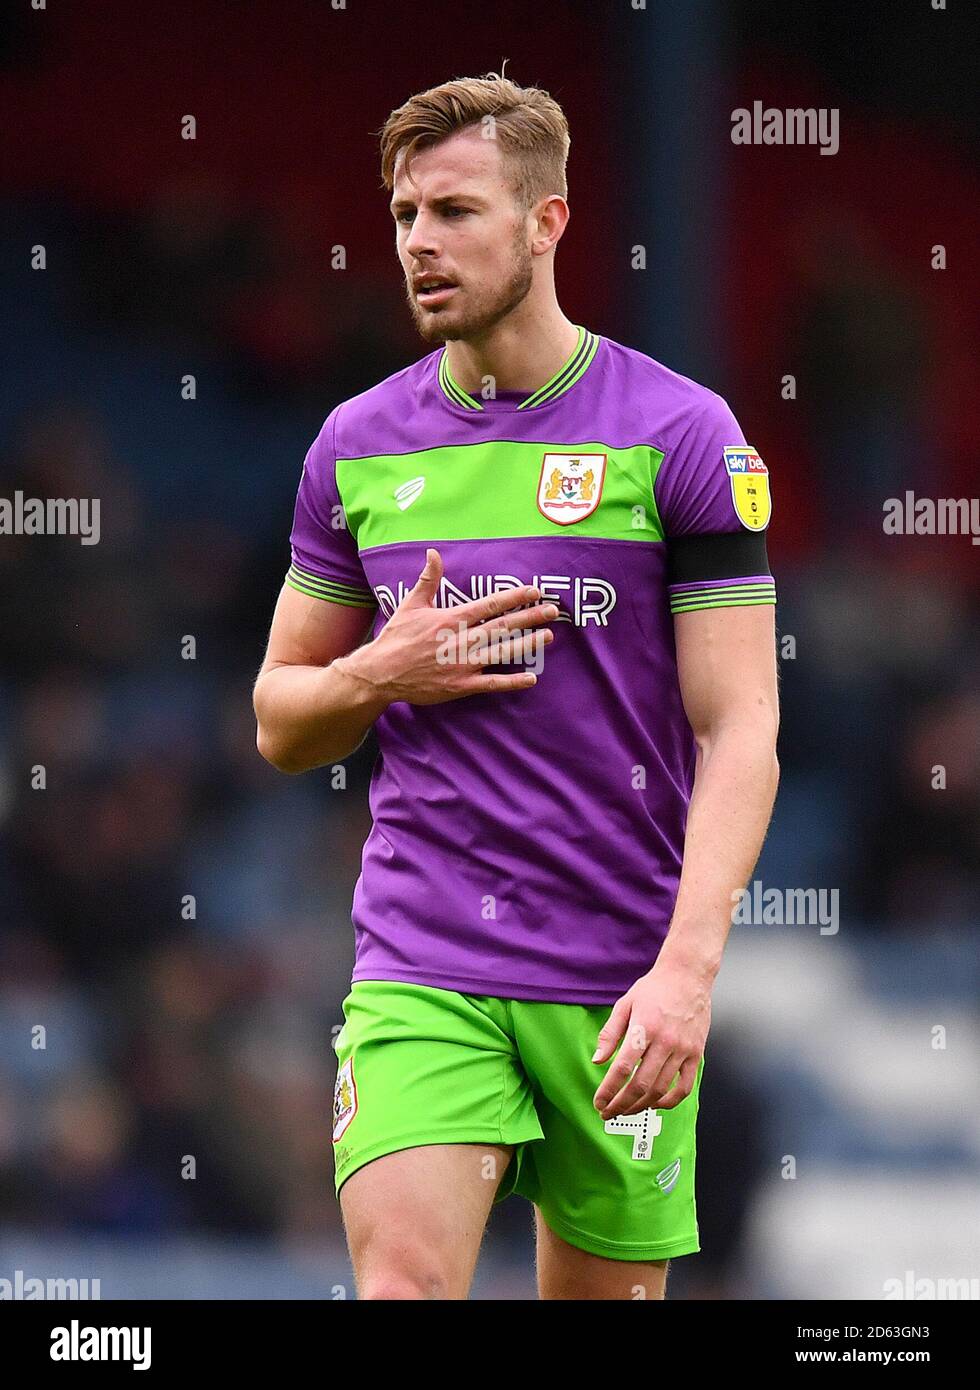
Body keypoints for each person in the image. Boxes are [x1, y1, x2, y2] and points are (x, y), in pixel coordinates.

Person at [253, 70, 779, 1300]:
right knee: (403, 1290)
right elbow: (279, 718)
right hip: (421, 955)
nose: (418, 245)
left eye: (454, 211)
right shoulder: (357, 447)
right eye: (402, 215)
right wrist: (381, 672)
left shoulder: (682, 435)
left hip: (617, 977)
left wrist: (687, 972)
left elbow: (740, 723)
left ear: (545, 224)